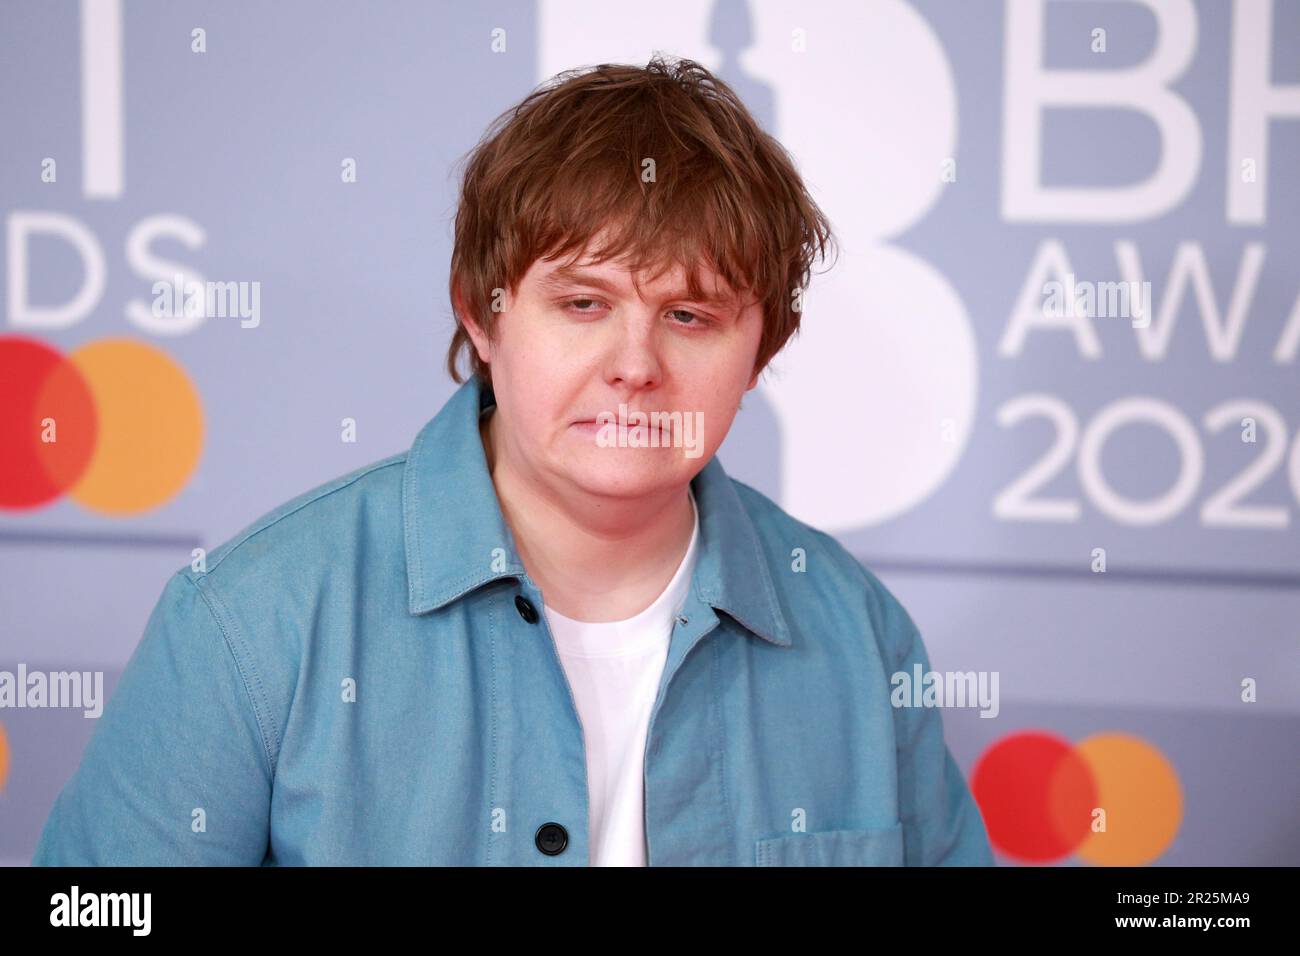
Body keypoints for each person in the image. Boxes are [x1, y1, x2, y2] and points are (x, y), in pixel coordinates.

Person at [32, 55, 993, 866]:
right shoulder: (253, 620)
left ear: (762, 354)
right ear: (480, 314)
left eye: (690, 317)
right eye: (582, 304)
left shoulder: (861, 637)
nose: (634, 368)